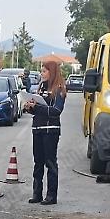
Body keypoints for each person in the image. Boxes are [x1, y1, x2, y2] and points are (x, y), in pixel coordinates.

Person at [23, 60, 67, 205]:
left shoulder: (59, 88)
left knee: (50, 162)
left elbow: (56, 111)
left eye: (44, 71)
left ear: (52, 72)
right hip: (37, 129)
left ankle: (51, 195)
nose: (41, 74)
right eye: (41, 71)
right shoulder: (41, 87)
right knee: (38, 163)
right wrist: (29, 107)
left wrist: (38, 107)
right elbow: (37, 110)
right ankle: (37, 194)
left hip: (51, 131)